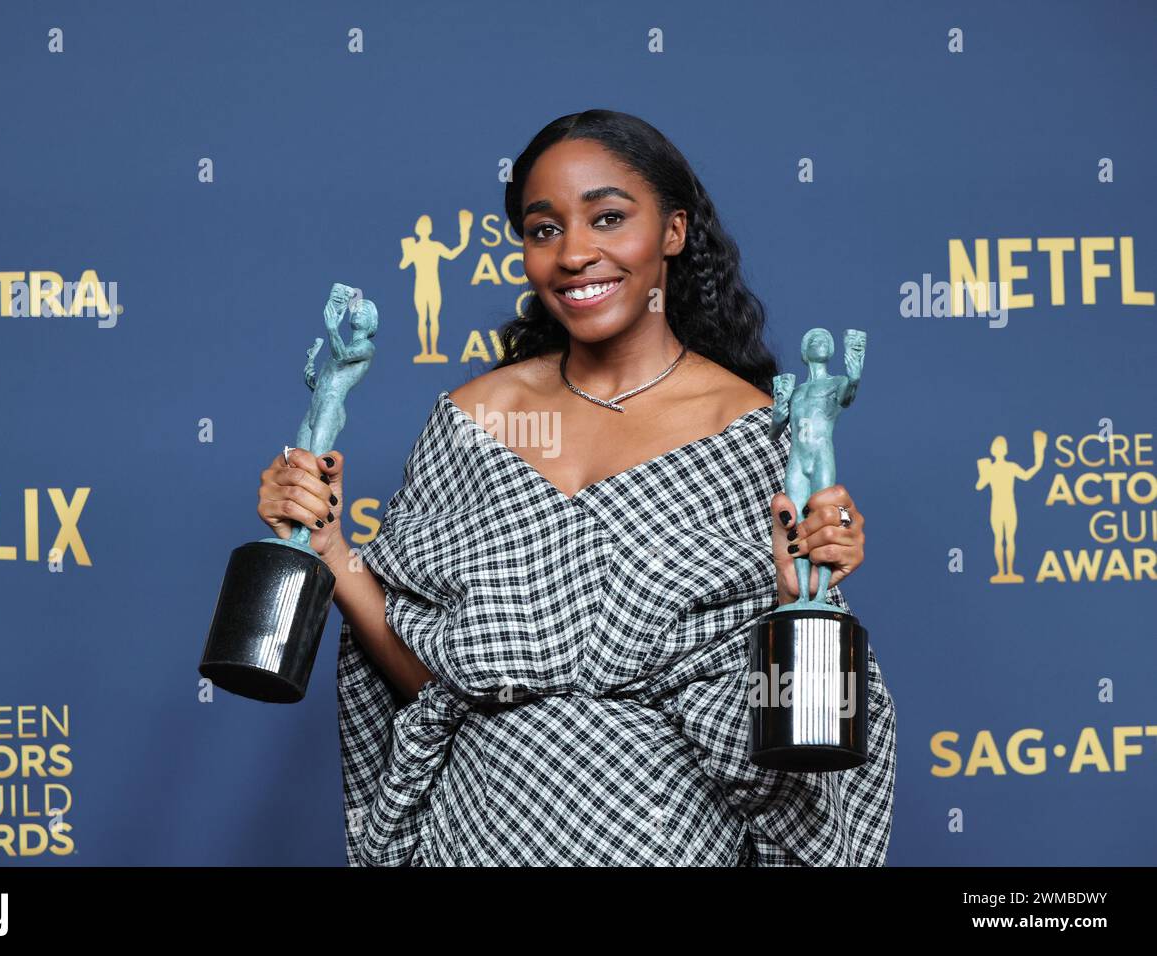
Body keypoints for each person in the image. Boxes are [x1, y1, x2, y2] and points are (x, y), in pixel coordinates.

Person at [258, 109, 896, 866]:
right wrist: (329, 548)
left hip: (669, 841)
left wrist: (803, 602)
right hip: (478, 835)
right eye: (544, 229)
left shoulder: (755, 434)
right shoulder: (474, 420)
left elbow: (796, 736)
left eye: (609, 217)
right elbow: (437, 684)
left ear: (673, 232)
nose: (575, 253)